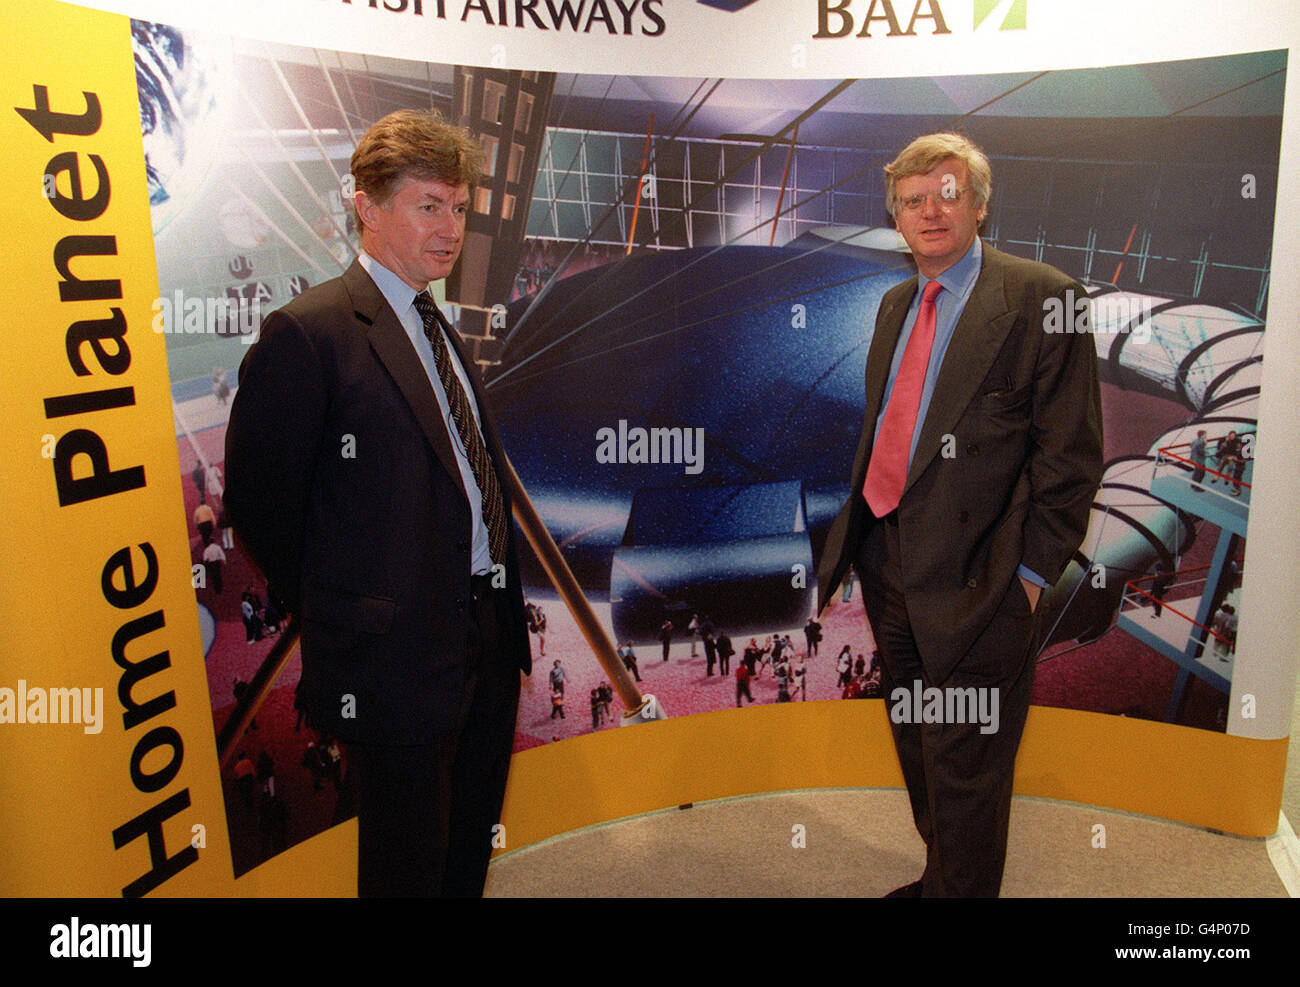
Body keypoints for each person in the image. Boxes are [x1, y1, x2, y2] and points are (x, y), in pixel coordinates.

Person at [224, 109, 531, 898]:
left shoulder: (441, 325)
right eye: (430, 205)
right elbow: (262, 503)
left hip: (486, 640)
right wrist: (352, 607)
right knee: (403, 870)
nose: (452, 228)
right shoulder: (310, 331)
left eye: (459, 208)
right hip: (395, 661)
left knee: (465, 853)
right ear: (366, 204)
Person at [817, 132, 1102, 898]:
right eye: (913, 201)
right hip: (889, 564)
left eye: (947, 193)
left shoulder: (1047, 298)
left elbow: (1070, 456)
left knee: (969, 762)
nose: (930, 211)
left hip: (985, 583)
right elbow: (888, 429)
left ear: (979, 203)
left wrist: (1031, 579)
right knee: (917, 740)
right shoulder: (894, 304)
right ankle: (944, 877)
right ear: (897, 217)